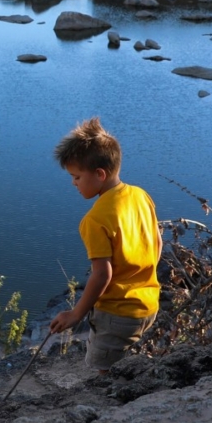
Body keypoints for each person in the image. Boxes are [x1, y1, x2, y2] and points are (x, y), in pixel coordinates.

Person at [47, 117, 161, 371]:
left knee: (104, 373)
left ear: (99, 174)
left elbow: (102, 274)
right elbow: (157, 243)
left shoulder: (95, 219)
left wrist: (75, 314)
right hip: (148, 304)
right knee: (130, 365)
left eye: (76, 177)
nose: (73, 183)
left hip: (116, 313)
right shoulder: (140, 195)